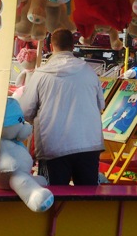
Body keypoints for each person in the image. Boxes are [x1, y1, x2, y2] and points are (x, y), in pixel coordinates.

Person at [20, 28, 105, 186]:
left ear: (51, 47)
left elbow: (25, 111)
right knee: (88, 197)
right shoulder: (89, 72)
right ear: (73, 47)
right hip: (88, 143)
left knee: (54, 197)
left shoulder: (41, 74)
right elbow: (101, 104)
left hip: (53, 144)